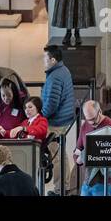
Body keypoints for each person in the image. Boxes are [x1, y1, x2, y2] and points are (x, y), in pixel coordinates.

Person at [40, 44, 75, 194]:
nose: (43, 60)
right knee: (60, 154)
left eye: (45, 58)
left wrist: (39, 116)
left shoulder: (55, 77)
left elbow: (51, 104)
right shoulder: (63, 70)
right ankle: (64, 186)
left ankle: (60, 188)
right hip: (64, 118)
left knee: (56, 156)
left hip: (57, 122)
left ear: (53, 60)